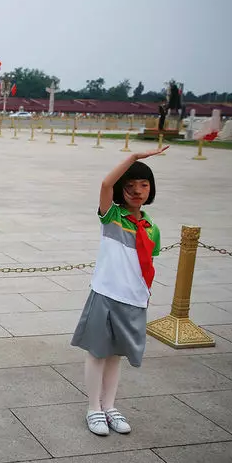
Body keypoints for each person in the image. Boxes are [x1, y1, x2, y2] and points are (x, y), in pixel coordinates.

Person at [70, 146, 168, 437]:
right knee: (97, 353)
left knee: (116, 356)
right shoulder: (111, 216)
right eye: (130, 186)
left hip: (133, 299)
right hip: (106, 295)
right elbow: (105, 184)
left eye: (143, 185)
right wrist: (132, 159)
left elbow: (147, 264)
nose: (137, 191)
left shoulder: (152, 228)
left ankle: (109, 406)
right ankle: (93, 408)